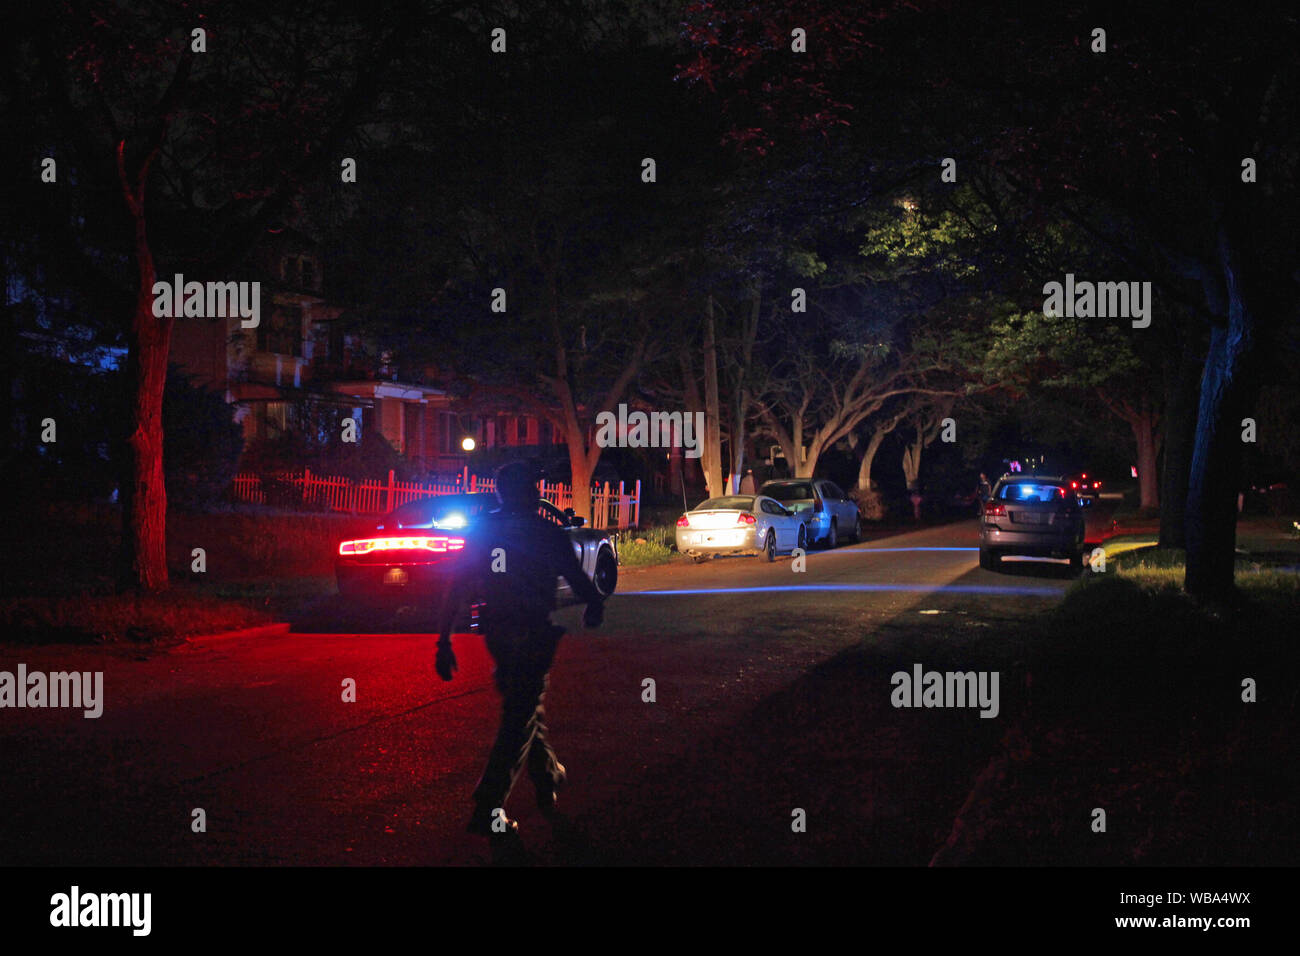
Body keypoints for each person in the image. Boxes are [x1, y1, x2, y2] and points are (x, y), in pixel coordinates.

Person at [435, 460, 606, 841]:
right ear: (532, 492)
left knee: (525, 704)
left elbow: (457, 585)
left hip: (497, 631)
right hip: (530, 631)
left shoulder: (484, 530)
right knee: (520, 715)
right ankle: (489, 806)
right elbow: (577, 576)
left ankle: (547, 775)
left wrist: (443, 640)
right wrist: (594, 603)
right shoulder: (545, 532)